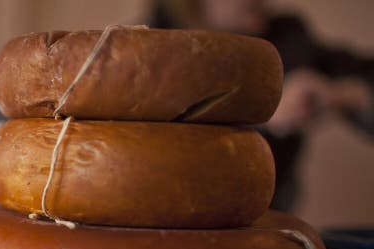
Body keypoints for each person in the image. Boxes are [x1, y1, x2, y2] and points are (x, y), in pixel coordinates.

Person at [151, 0, 374, 211]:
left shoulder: (288, 38)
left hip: (269, 216)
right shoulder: (152, 48)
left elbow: (364, 75)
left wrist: (340, 94)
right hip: (171, 213)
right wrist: (263, 113)